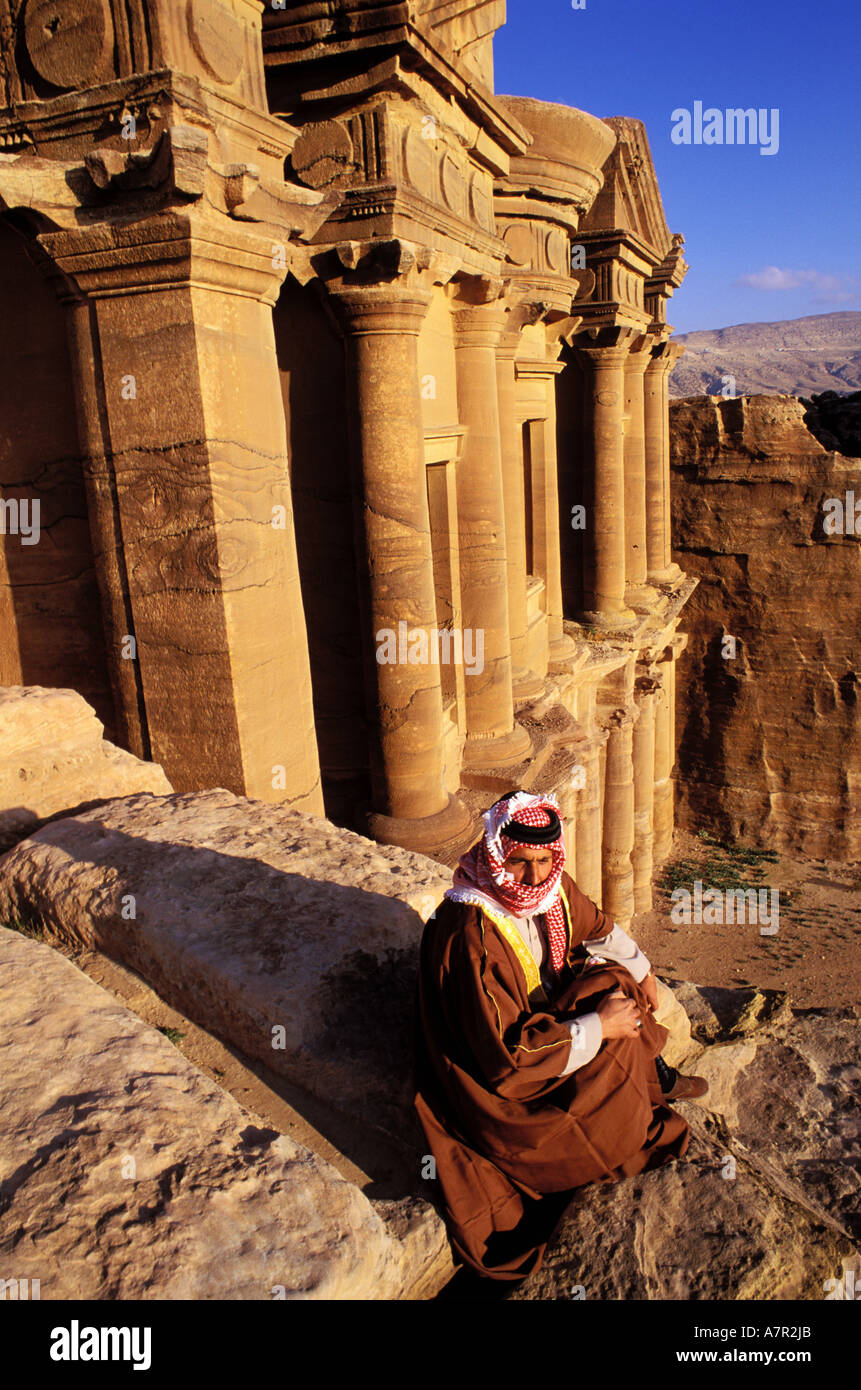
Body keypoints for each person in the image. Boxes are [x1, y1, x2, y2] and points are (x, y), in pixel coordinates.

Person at [413, 789, 708, 1282]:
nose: (531, 877)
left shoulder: (551, 889)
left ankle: (646, 1077)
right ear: (496, 854)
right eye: (520, 862)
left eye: (544, 860)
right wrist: (600, 1027)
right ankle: (631, 1104)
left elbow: (597, 927)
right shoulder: (473, 934)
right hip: (503, 1080)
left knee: (614, 979)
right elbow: (507, 1061)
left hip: (539, 1028)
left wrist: (644, 969)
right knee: (612, 1030)